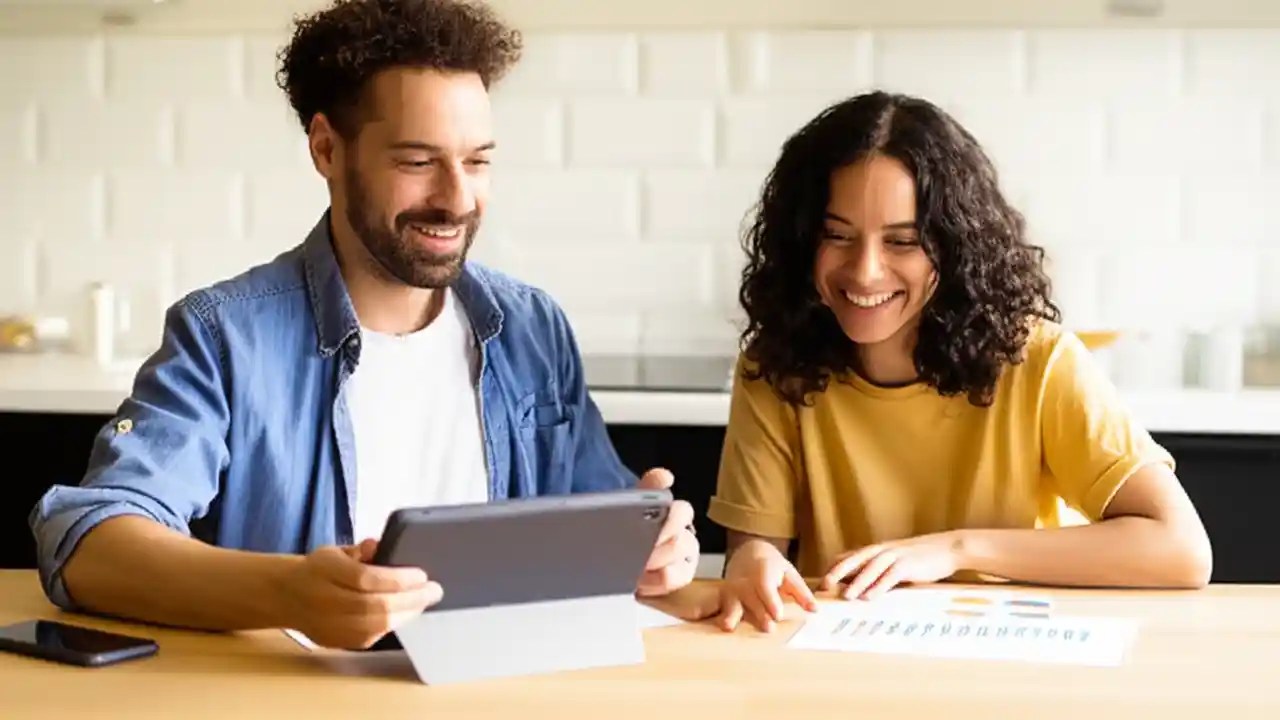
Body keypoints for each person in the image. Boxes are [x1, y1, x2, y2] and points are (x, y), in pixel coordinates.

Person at [28, 0, 702, 650]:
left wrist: (654, 550)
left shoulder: (531, 327)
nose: (457, 199)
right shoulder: (225, 336)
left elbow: (602, 527)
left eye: (477, 161)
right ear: (327, 149)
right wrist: (286, 592)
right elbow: (88, 541)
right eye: (417, 162)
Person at [708, 91, 1213, 633]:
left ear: (953, 247)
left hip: (1010, 652)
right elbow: (754, 554)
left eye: (903, 241)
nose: (865, 270)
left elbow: (1181, 549)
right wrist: (750, 562)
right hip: (837, 653)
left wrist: (955, 550)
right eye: (837, 236)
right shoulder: (775, 367)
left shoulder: (1040, 361)